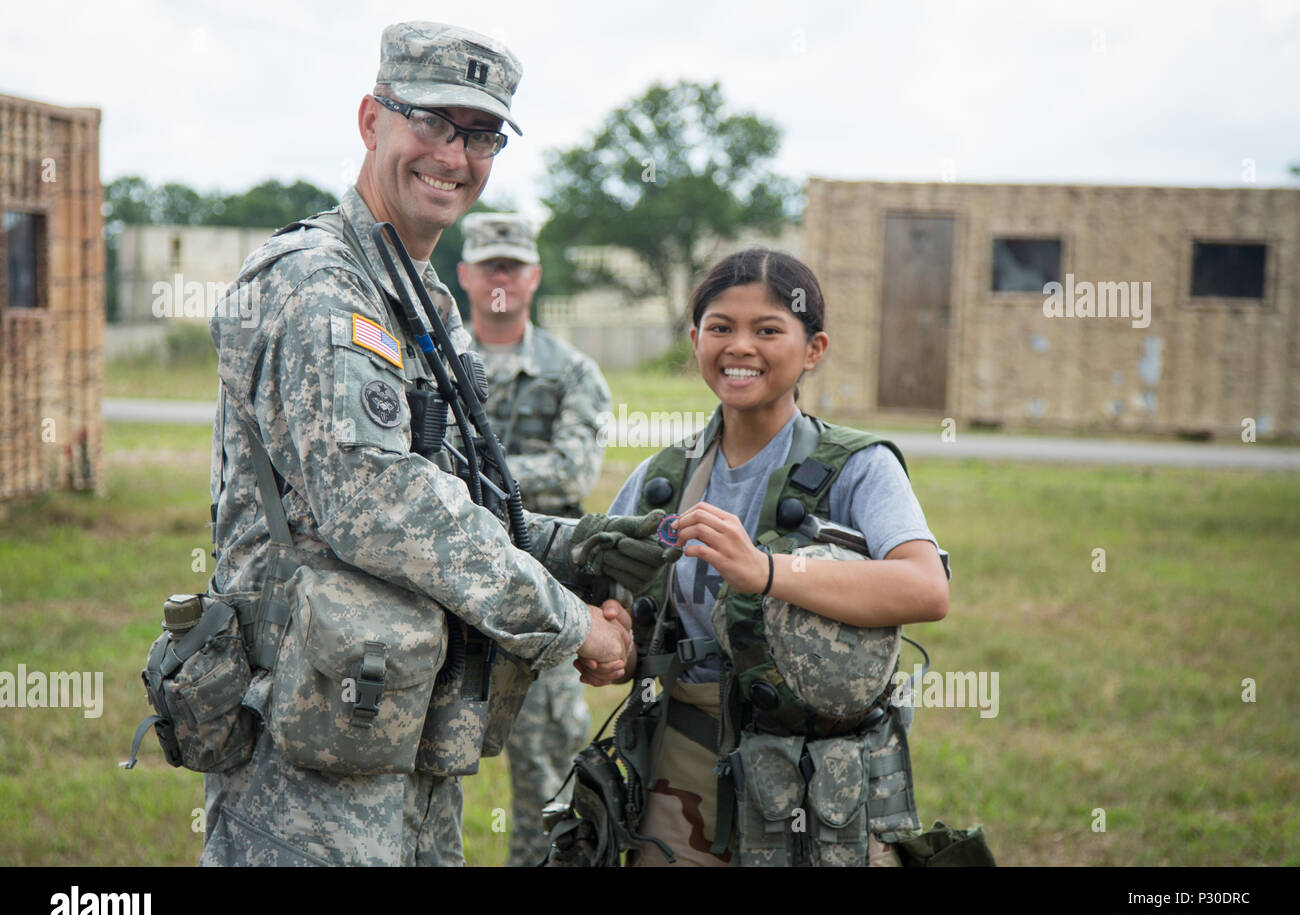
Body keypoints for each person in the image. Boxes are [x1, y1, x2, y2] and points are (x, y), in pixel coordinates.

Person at [201, 21, 649, 867]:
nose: (455, 154)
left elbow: (463, 496)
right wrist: (570, 623)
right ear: (371, 120)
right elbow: (379, 505)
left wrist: (583, 549)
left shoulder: (426, 304)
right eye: (432, 122)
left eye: (480, 134)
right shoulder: (315, 283)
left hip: (401, 733)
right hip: (302, 759)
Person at [606, 248, 952, 866]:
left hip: (821, 778)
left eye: (768, 330)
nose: (741, 347)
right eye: (721, 328)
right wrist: (615, 643)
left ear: (813, 349)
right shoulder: (663, 477)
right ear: (695, 340)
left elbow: (926, 590)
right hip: (684, 765)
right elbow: (610, 600)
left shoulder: (858, 467)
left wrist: (767, 572)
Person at [457, 212, 610, 865]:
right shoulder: (433, 360)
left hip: (540, 597)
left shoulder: (570, 371)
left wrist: (464, 478)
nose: (501, 276)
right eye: (489, 263)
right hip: (445, 592)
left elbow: (575, 468)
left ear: (533, 277)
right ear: (463, 275)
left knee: (550, 777)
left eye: (512, 265)